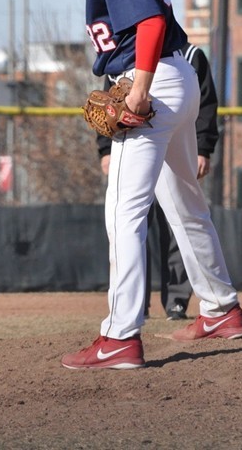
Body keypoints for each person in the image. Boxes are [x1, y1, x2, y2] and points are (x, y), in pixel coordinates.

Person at [37, 0, 242, 370]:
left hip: (151, 81)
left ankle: (120, 336)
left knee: (121, 212)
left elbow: (151, 21)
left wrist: (139, 93)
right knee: (183, 204)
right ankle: (221, 309)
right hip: (178, 81)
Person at [96, 43, 220, 321]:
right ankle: (136, 305)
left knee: (175, 222)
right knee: (136, 223)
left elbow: (206, 104)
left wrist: (203, 148)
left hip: (171, 137)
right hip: (135, 142)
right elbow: (109, 104)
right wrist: (105, 149)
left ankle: (175, 302)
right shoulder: (123, 53)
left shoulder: (189, 56)